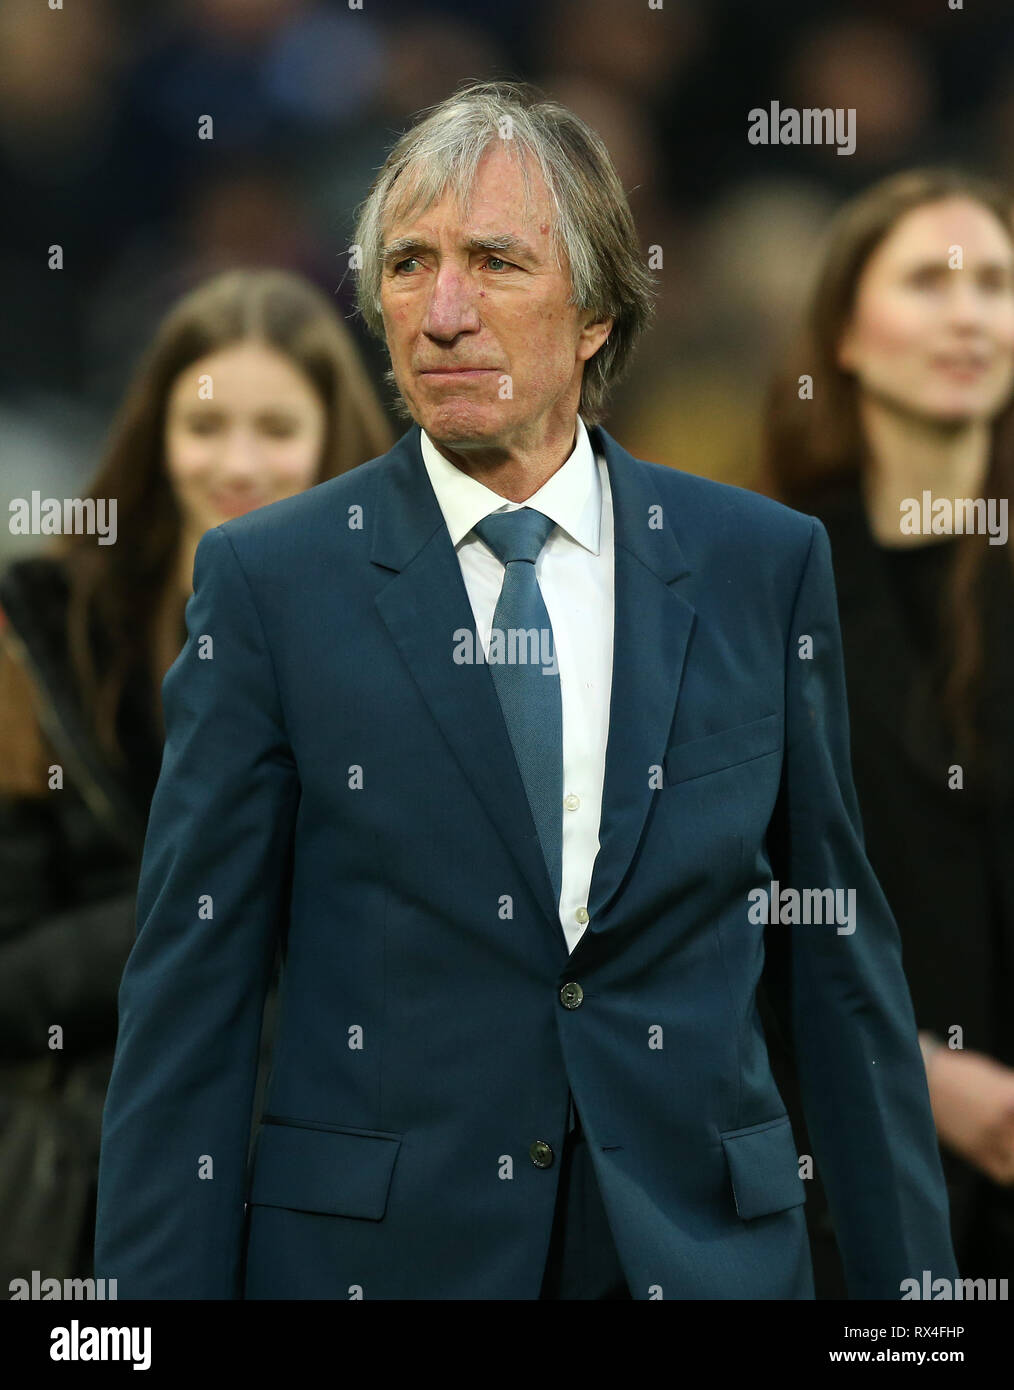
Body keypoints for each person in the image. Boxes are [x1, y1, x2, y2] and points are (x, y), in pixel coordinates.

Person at [93, 81, 958, 1301]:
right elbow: (193, 994)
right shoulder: (269, 582)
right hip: (377, 1265)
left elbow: (840, 971)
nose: (444, 313)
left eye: (495, 262)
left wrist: (915, 1312)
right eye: (409, 266)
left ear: (598, 307)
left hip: (700, 1262)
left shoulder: (760, 565)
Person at [0, 267, 393, 1288]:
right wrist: (229, 892)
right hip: (76, 1188)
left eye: (277, 428)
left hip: (338, 1174)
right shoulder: (34, 642)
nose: (240, 463)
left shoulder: (413, 646)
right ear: (156, 436)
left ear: (333, 442)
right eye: (207, 427)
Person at [760, 169, 1014, 1294]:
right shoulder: (758, 577)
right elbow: (725, 895)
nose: (968, 315)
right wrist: (920, 1074)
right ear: (846, 337)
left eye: (997, 285)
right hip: (852, 1174)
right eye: (927, 282)